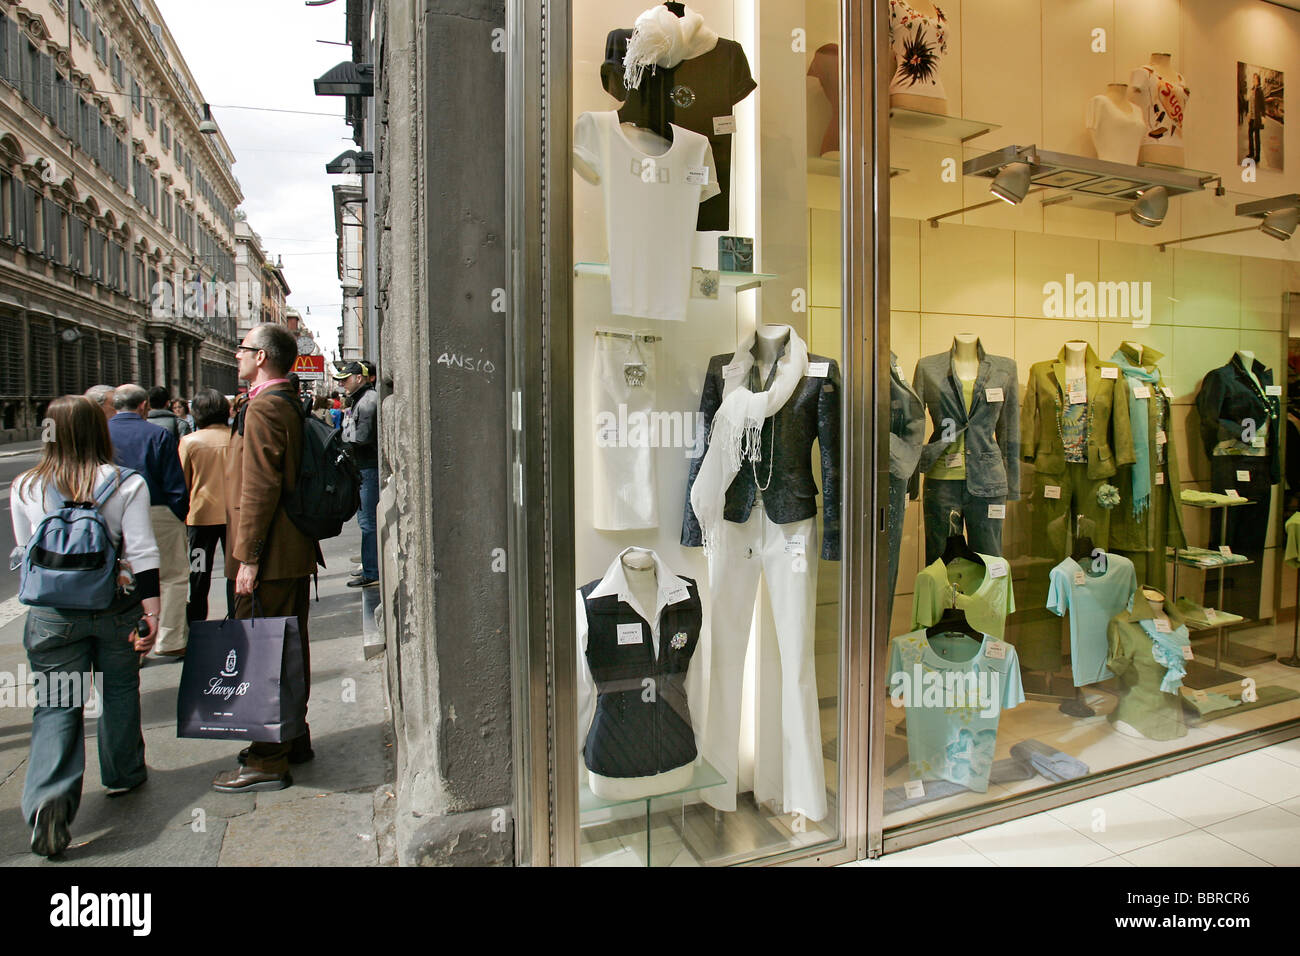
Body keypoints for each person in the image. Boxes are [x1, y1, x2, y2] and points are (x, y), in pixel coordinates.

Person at [12, 395, 160, 858]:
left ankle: (50, 800)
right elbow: (142, 553)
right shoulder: (125, 483)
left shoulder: (26, 486)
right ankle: (123, 772)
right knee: (119, 691)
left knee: (56, 705)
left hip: (53, 615)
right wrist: (151, 614)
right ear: (101, 431)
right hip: (115, 606)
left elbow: (26, 551)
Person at [212, 323, 321, 792]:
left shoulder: (264, 409)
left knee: (260, 655)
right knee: (287, 647)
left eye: (243, 349)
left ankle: (266, 758)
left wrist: (248, 559)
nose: (237, 355)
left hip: (269, 557)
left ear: (261, 357)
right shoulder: (286, 402)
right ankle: (291, 738)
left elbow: (258, 488)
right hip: (289, 553)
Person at [108, 385, 191, 658]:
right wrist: (178, 513)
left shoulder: (101, 434)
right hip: (157, 509)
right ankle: (170, 640)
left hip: (111, 514)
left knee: (123, 582)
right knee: (171, 577)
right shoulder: (158, 434)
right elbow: (174, 481)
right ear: (144, 405)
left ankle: (133, 643)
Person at [179, 388, 233, 623]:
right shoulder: (236, 438)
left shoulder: (190, 442)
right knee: (234, 570)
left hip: (200, 518)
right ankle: (237, 617)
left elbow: (182, 482)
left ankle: (198, 619)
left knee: (199, 569)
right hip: (233, 517)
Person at [334, 360, 379, 588]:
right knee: (366, 522)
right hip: (363, 468)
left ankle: (372, 570)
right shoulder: (360, 400)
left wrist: (343, 445)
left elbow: (361, 438)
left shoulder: (368, 401)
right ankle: (370, 566)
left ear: (359, 378)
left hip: (367, 469)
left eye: (345, 380)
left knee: (368, 522)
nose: (343, 385)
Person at [1249, 72, 1265, 163]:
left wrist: (1263, 116)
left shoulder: (1260, 91)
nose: (1253, 80)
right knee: (1250, 135)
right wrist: (1248, 113)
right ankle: (1251, 152)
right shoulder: (1252, 90)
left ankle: (1257, 156)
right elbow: (1250, 102)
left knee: (1257, 136)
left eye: (1255, 79)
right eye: (1253, 79)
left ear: (1258, 81)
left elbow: (1262, 104)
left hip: (1257, 118)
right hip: (1251, 117)